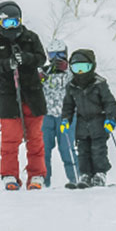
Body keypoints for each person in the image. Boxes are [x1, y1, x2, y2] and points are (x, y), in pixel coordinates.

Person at [0, 1, 47, 190]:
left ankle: (36, 175)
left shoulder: (30, 38)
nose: (11, 27)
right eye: (6, 24)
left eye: (14, 22)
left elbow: (41, 59)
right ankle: (9, 175)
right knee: (10, 138)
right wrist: (6, 64)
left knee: (35, 138)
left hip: (32, 95)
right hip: (8, 97)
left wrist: (26, 59)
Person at [60, 49, 116, 187]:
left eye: (83, 68)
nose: (80, 72)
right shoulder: (72, 86)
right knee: (83, 151)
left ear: (91, 66)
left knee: (98, 150)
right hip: (82, 125)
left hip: (98, 123)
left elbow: (110, 102)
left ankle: (99, 174)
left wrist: (110, 119)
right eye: (76, 68)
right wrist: (65, 120)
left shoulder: (99, 84)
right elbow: (68, 105)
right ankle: (85, 175)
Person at [40, 38, 78, 188]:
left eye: (60, 54)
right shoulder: (44, 71)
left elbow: (78, 83)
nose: (57, 59)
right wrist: (39, 79)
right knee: (44, 149)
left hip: (66, 116)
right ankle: (43, 181)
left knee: (67, 148)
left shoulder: (72, 72)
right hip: (46, 115)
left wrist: (67, 69)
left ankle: (76, 179)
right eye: (53, 55)